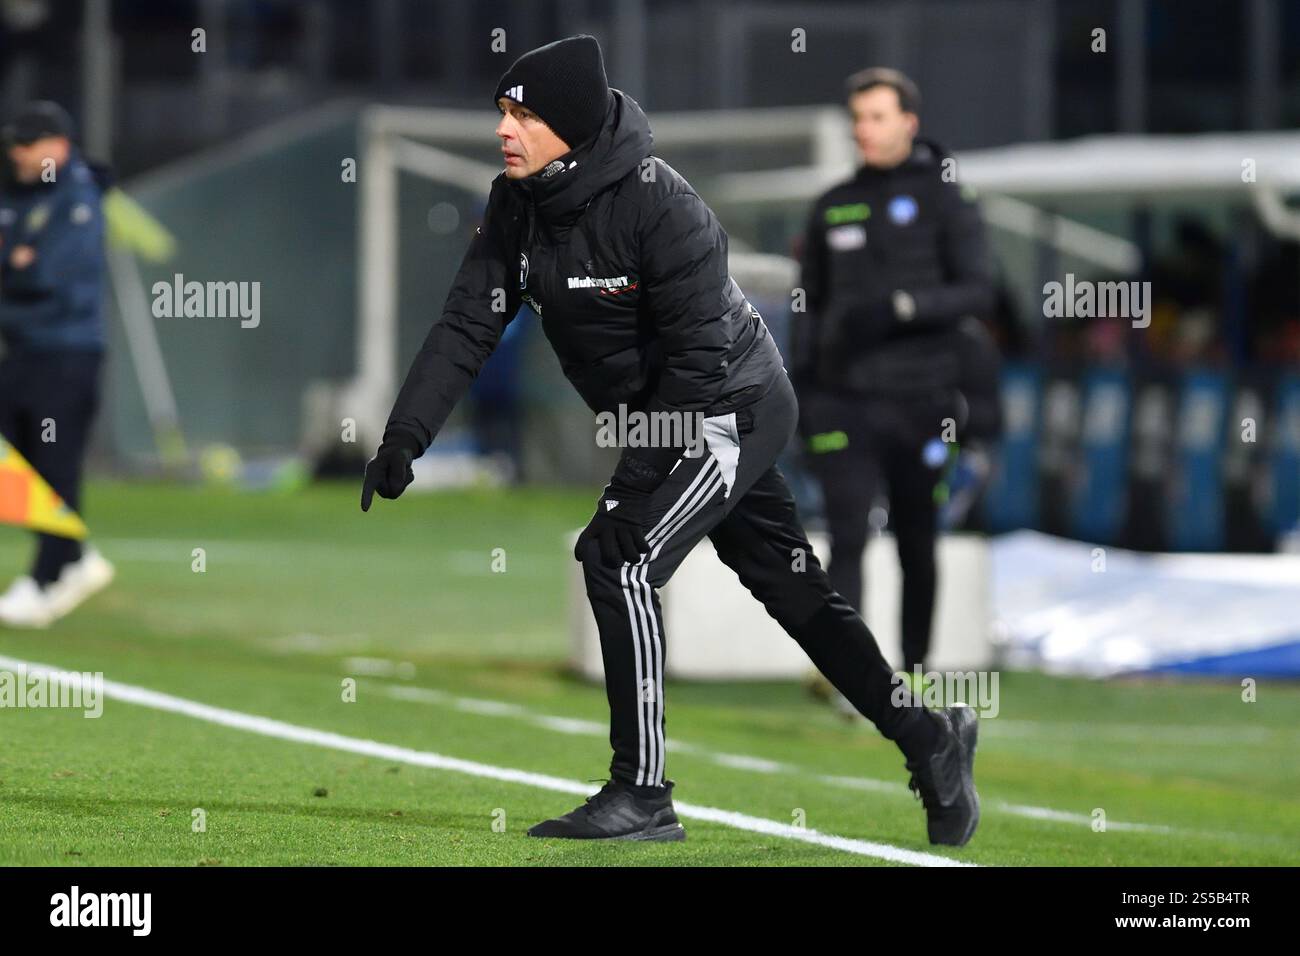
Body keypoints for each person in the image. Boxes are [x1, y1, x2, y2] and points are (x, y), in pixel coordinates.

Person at [361, 36, 978, 846]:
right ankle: (929, 737)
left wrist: (639, 476)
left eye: (524, 114)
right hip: (669, 415)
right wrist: (406, 435)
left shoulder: (662, 205)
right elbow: (467, 322)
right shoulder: (517, 203)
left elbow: (697, 365)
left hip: (728, 405)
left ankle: (643, 795)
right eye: (502, 112)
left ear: (573, 125)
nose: (505, 130)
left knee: (617, 554)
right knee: (798, 596)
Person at [792, 68, 994, 674]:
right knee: (847, 534)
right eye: (857, 119)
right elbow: (809, 305)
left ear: (909, 121)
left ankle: (914, 665)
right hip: (844, 399)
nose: (865, 130)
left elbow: (980, 291)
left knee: (916, 539)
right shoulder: (832, 205)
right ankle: (850, 673)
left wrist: (904, 309)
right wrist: (800, 390)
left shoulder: (948, 198)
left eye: (877, 117)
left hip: (923, 400)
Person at [0, 101, 114, 628]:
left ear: (57, 145)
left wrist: (16, 262)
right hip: (24, 351)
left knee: (54, 461)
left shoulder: (78, 199)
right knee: (16, 464)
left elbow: (40, 276)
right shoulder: (25, 195)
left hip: (66, 353)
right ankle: (72, 556)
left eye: (27, 143)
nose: (16, 153)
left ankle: (50, 573)